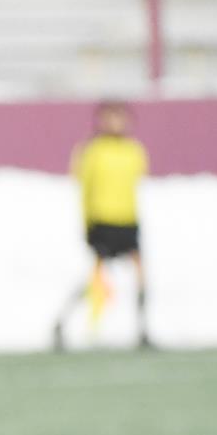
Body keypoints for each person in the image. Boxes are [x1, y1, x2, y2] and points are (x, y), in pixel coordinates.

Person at [52, 100, 151, 351]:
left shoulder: (134, 150)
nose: (115, 122)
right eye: (109, 117)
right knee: (96, 278)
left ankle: (142, 330)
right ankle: (62, 322)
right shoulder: (92, 151)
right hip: (102, 221)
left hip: (127, 221)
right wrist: (88, 224)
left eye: (119, 117)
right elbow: (84, 188)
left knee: (141, 275)